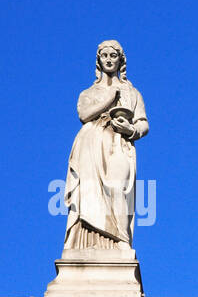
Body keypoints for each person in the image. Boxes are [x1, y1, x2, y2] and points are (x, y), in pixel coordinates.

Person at [63, 40, 149, 250]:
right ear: (99, 61)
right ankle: (86, 243)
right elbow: (84, 115)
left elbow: (143, 123)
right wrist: (110, 97)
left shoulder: (132, 92)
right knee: (89, 191)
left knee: (118, 187)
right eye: (105, 56)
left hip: (119, 143)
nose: (109, 60)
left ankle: (120, 240)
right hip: (90, 141)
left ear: (121, 60)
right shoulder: (88, 93)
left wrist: (131, 130)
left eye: (113, 56)